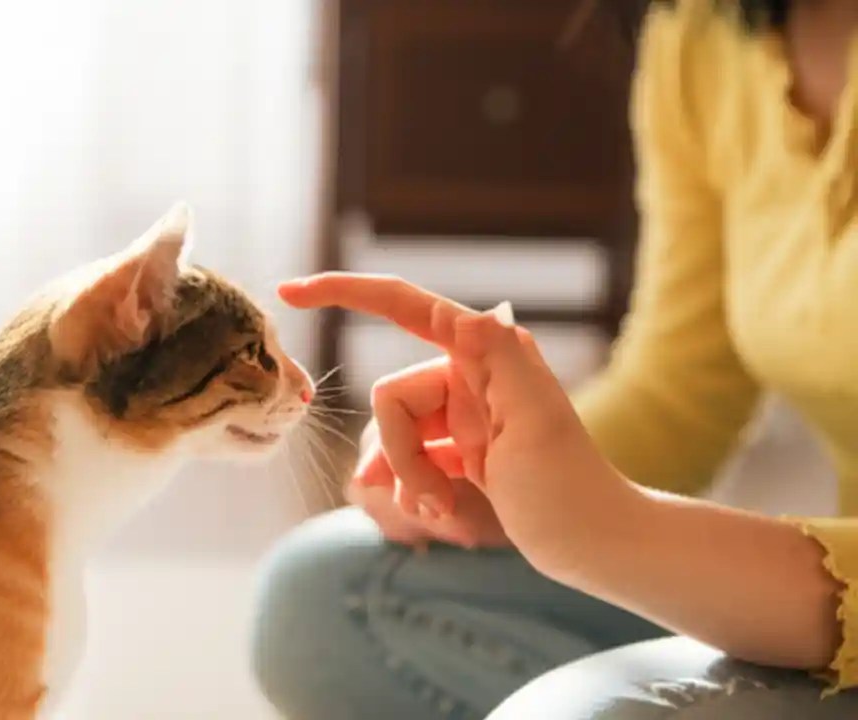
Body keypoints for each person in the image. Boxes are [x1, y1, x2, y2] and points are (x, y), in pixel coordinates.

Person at [252, 0, 858, 717]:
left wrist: (613, 530)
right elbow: (680, 390)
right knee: (320, 601)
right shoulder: (708, 31)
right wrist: (500, 471)